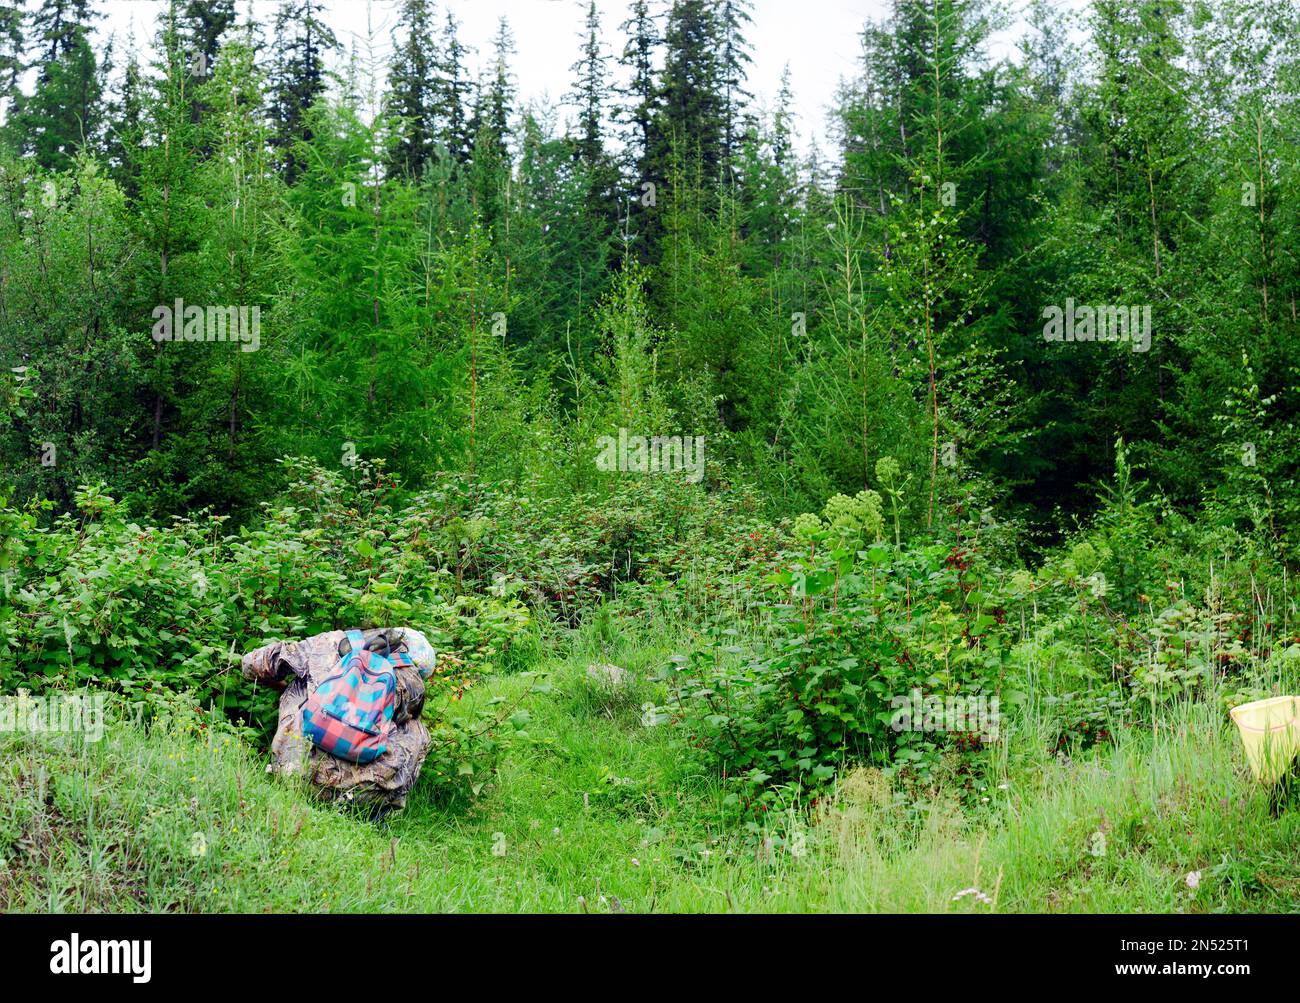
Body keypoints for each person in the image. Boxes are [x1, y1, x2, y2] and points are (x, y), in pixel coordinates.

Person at [240, 627, 437, 812]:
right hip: (357, 796)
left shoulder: (328, 642)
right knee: (417, 730)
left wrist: (300, 692)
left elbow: (253, 664)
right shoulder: (411, 681)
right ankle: (379, 812)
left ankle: (288, 772)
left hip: (293, 774)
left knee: (301, 683)